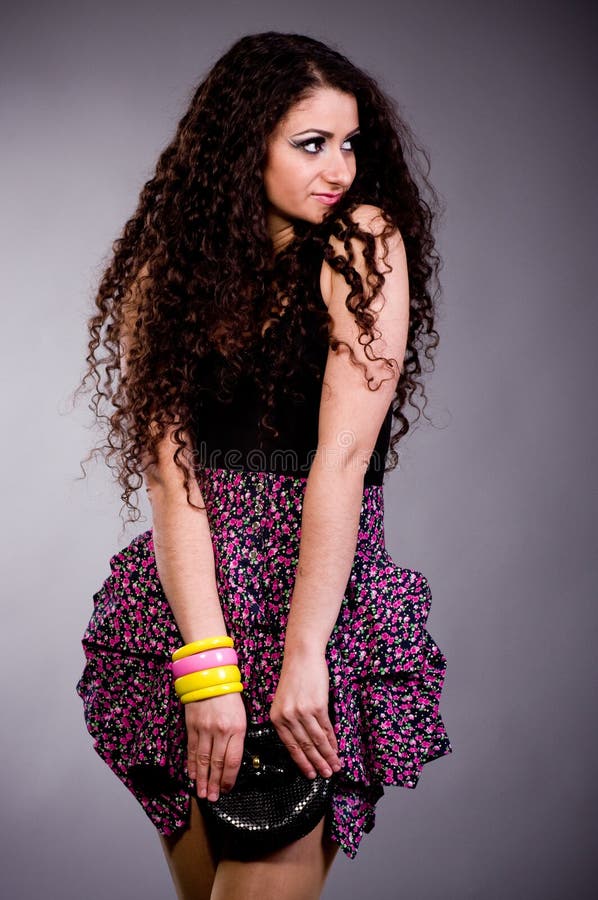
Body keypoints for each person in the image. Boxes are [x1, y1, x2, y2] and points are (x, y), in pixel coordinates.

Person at [74, 30, 453, 900]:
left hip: (311, 602)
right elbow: (175, 480)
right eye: (311, 143)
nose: (340, 169)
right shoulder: (171, 273)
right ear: (246, 146)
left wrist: (304, 653)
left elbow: (342, 462)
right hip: (193, 606)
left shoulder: (362, 244)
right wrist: (207, 667)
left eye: (350, 143)